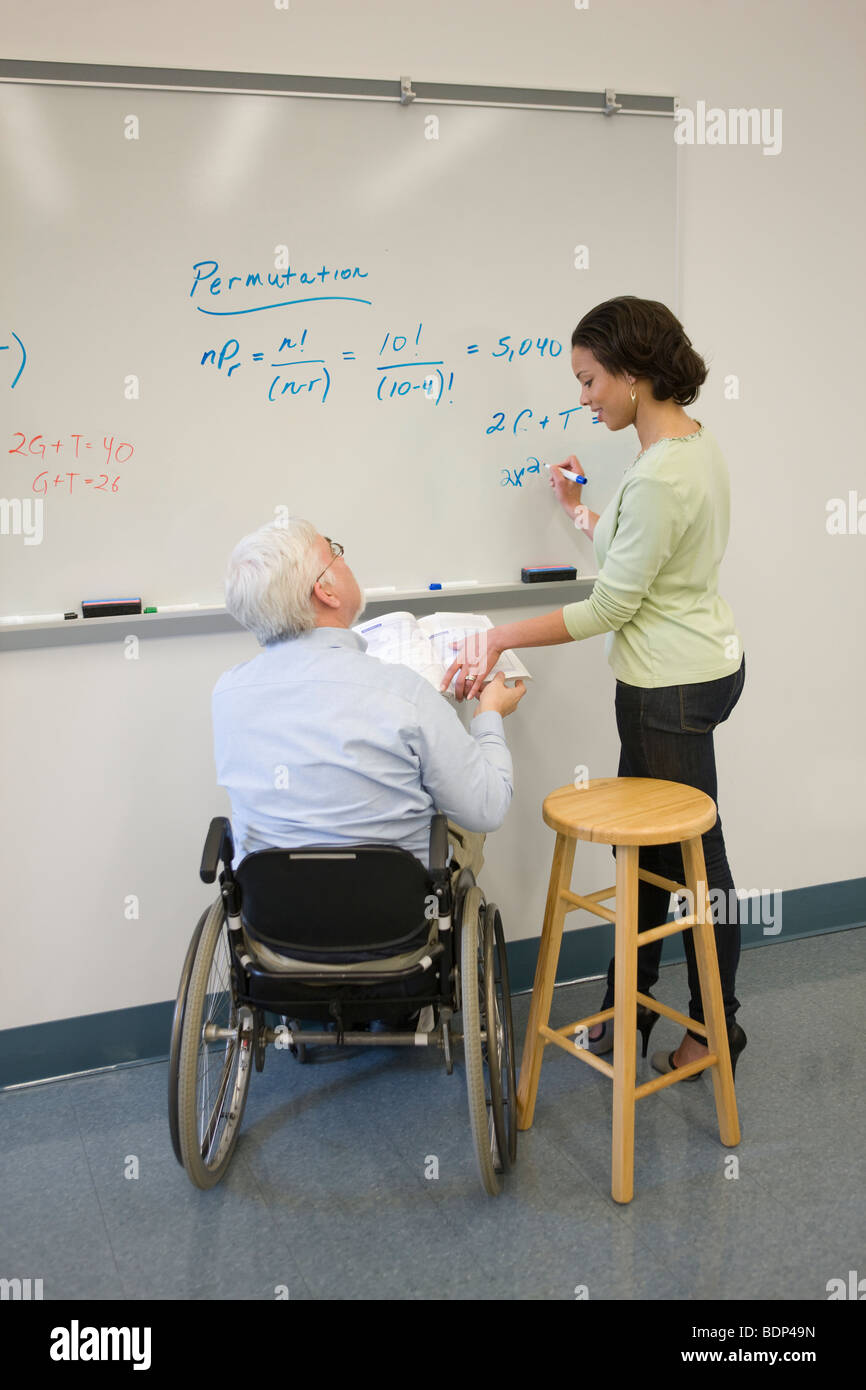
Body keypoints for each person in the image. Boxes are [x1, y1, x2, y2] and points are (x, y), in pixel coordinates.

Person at [443, 296, 747, 1079]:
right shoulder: (689, 445)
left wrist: (500, 634)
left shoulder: (658, 475)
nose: (584, 398)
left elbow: (613, 602)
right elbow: (643, 553)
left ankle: (714, 1029)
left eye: (590, 380)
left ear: (635, 374)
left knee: (688, 866)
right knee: (665, 861)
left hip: (667, 689)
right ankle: (628, 1015)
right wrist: (579, 510)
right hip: (699, 666)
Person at [212, 517, 526, 882]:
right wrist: (488, 715)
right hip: (396, 917)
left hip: (272, 915)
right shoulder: (403, 692)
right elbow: (487, 808)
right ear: (325, 593)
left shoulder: (227, 693)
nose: (344, 561)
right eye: (335, 554)